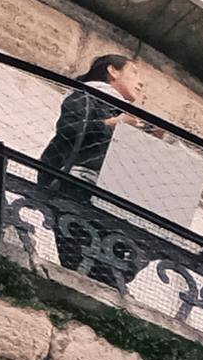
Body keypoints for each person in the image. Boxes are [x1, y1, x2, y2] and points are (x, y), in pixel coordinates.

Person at [34, 51, 131, 269]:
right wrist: (113, 124)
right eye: (133, 72)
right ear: (113, 71)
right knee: (78, 250)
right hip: (75, 183)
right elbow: (70, 127)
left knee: (113, 257)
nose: (141, 82)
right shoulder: (87, 95)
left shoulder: (119, 111)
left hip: (107, 194)